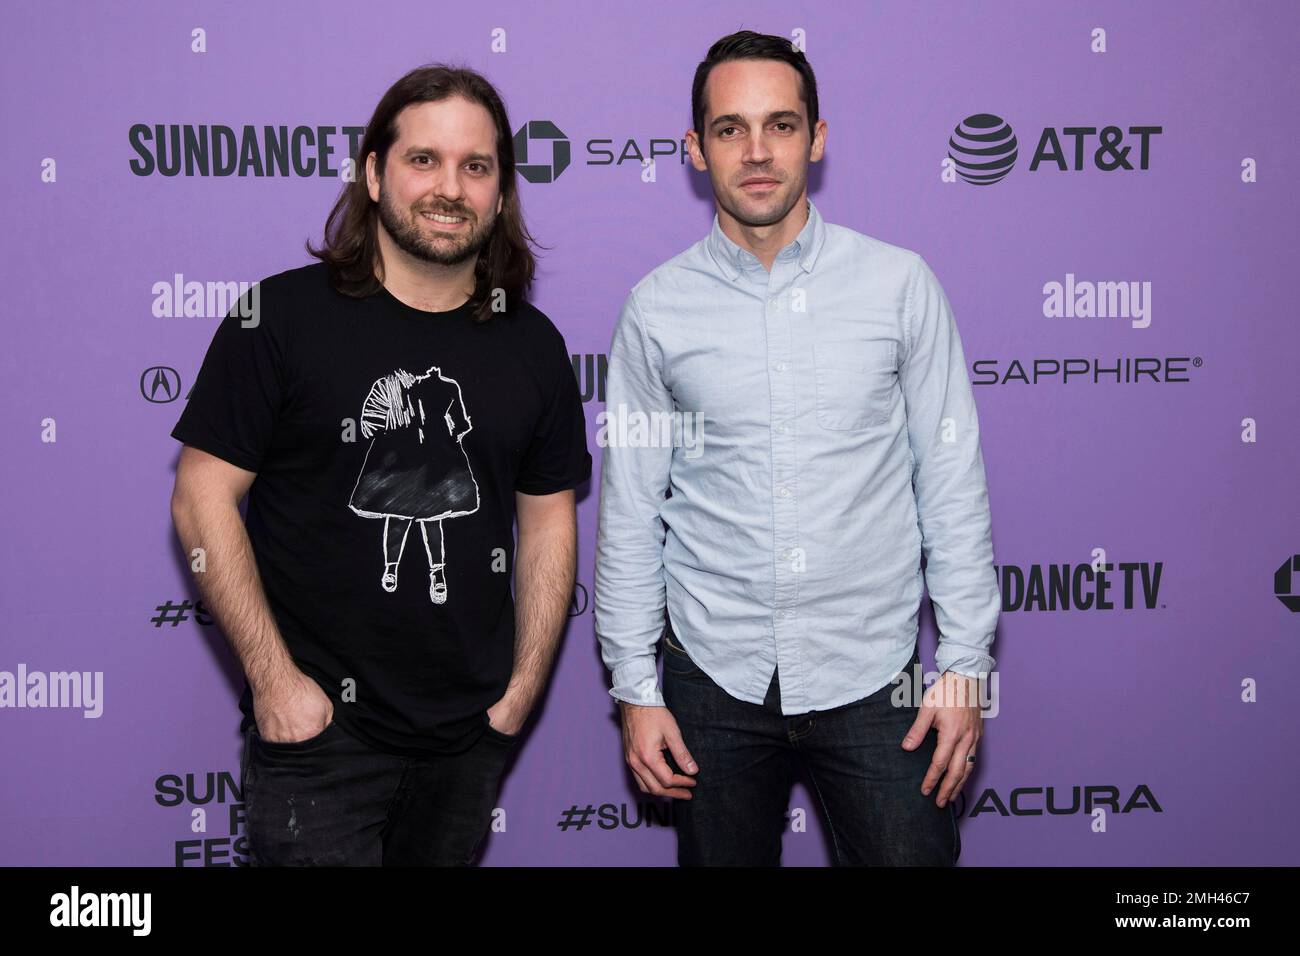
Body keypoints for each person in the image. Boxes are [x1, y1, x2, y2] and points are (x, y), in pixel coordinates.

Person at [594, 31, 999, 866]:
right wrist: (634, 688)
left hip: (875, 671)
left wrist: (963, 666)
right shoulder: (656, 309)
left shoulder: (899, 286)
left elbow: (950, 483)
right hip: (712, 677)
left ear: (817, 139)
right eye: (729, 128)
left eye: (780, 125)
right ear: (694, 149)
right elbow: (631, 509)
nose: (756, 152)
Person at [169, 64, 591, 866]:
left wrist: (520, 692)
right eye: (422, 160)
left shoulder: (531, 346)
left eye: (476, 166)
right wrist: (276, 683)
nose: (449, 187)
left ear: (501, 192)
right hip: (319, 735)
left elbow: (546, 524)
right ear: (373, 173)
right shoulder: (280, 318)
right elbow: (200, 499)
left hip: (468, 739)